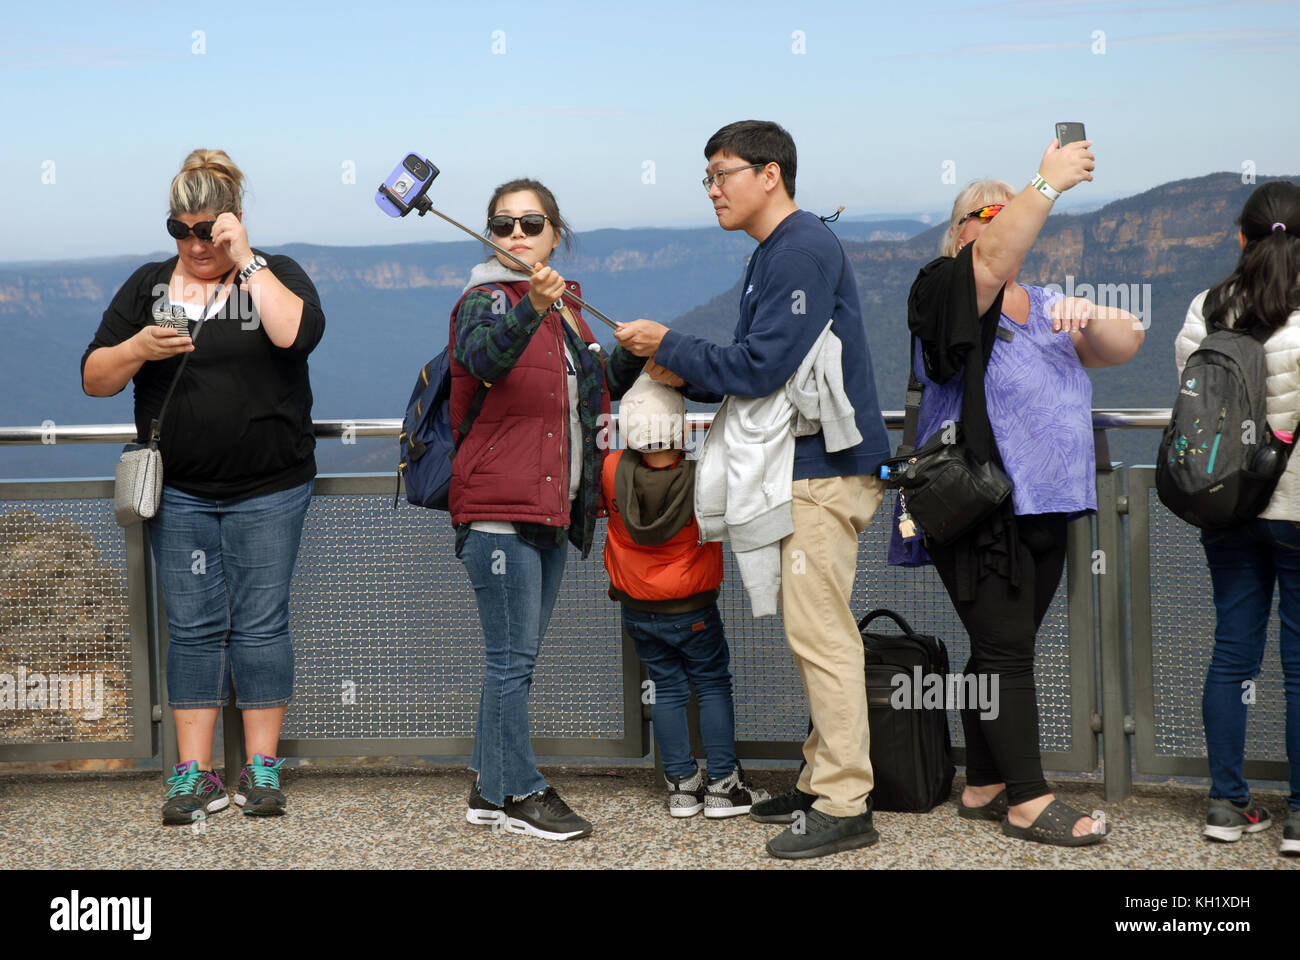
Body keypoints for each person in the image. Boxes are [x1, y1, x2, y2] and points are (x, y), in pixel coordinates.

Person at [615, 120, 893, 859]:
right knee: (815, 635)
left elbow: (763, 365)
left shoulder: (798, 248)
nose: (712, 189)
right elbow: (754, 364)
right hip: (816, 469)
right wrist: (682, 365)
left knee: (823, 638)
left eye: (722, 173)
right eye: (706, 177)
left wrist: (667, 344)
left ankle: (844, 802)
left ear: (770, 174)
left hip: (820, 474)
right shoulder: (784, 249)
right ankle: (819, 778)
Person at [896, 139, 1142, 846]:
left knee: (1001, 647)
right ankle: (1029, 800)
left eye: (1013, 209)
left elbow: (1127, 341)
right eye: (988, 211)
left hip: (1051, 503)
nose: (1004, 219)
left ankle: (983, 781)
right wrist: (1046, 181)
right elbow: (989, 264)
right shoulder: (942, 292)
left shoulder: (1042, 304)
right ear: (961, 229)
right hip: (979, 509)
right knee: (1006, 652)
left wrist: (1090, 314)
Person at [81, 149, 325, 824]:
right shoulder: (147, 287)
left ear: (235, 223)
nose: (194, 244)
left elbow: (298, 333)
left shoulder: (274, 275)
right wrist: (138, 350)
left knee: (261, 625)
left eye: (208, 230)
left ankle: (262, 769)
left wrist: (247, 261)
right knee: (192, 628)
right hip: (181, 491)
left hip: (270, 486)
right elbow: (94, 377)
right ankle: (193, 774)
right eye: (180, 231)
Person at [452, 178, 646, 841]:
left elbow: (593, 395)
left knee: (514, 661)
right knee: (512, 662)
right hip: (498, 513)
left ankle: (487, 786)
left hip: (554, 510)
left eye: (530, 224)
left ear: (555, 234)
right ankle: (522, 792)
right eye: (502, 224)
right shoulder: (483, 302)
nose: (515, 235)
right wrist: (530, 307)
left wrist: (631, 357)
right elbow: (483, 359)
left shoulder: (571, 309)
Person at [1174, 180, 1300, 856]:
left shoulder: (1209, 305)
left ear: (1242, 238)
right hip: (1297, 509)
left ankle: (1226, 803)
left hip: (1225, 501)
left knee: (1232, 653)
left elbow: (1190, 392)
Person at [601, 372, 769, 818]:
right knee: (712, 683)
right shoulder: (702, 476)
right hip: (693, 607)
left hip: (638, 608)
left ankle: (681, 787)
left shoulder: (611, 470)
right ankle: (722, 786)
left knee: (666, 689)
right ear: (680, 428)